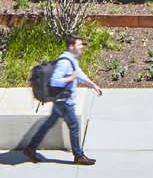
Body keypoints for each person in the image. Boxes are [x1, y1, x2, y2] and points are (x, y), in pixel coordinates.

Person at [22, 34, 102, 166]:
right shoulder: (64, 62)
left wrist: (93, 85)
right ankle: (78, 155)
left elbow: (80, 74)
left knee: (48, 124)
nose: (81, 47)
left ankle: (30, 148)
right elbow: (55, 82)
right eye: (79, 44)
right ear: (71, 46)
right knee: (74, 126)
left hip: (62, 101)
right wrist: (71, 78)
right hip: (64, 102)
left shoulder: (71, 59)